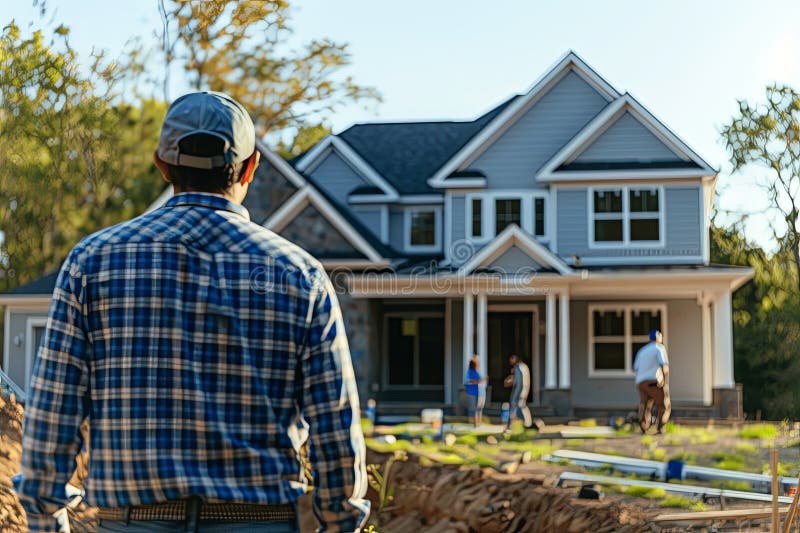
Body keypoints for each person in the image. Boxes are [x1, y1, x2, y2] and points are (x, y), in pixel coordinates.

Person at [18, 91, 369, 532]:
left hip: (132, 522)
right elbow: (336, 426)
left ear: (162, 165)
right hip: (260, 521)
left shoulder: (93, 263)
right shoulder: (300, 274)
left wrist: (46, 521)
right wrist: (340, 522)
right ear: (250, 167)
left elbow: (54, 409)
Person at [634, 329, 671, 434]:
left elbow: (636, 368)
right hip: (653, 381)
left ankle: (643, 427)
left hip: (640, 382)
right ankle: (660, 428)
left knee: (645, 405)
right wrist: (665, 383)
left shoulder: (642, 351)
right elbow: (664, 366)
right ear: (658, 337)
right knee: (664, 405)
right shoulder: (659, 348)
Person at [504, 354, 533, 431]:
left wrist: (516, 394)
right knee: (522, 407)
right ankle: (527, 425)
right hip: (525, 391)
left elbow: (518, 382)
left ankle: (510, 427)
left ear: (516, 359)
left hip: (519, 391)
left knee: (515, 408)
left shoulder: (518, 367)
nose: (510, 361)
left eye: (512, 359)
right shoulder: (524, 366)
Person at [465, 354, 488, 427]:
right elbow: (468, 381)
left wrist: (482, 380)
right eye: (476, 363)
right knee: (476, 409)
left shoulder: (477, 372)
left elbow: (481, 381)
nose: (478, 364)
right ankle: (476, 424)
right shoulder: (470, 372)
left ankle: (479, 423)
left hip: (481, 393)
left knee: (480, 408)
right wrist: (478, 381)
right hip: (475, 393)